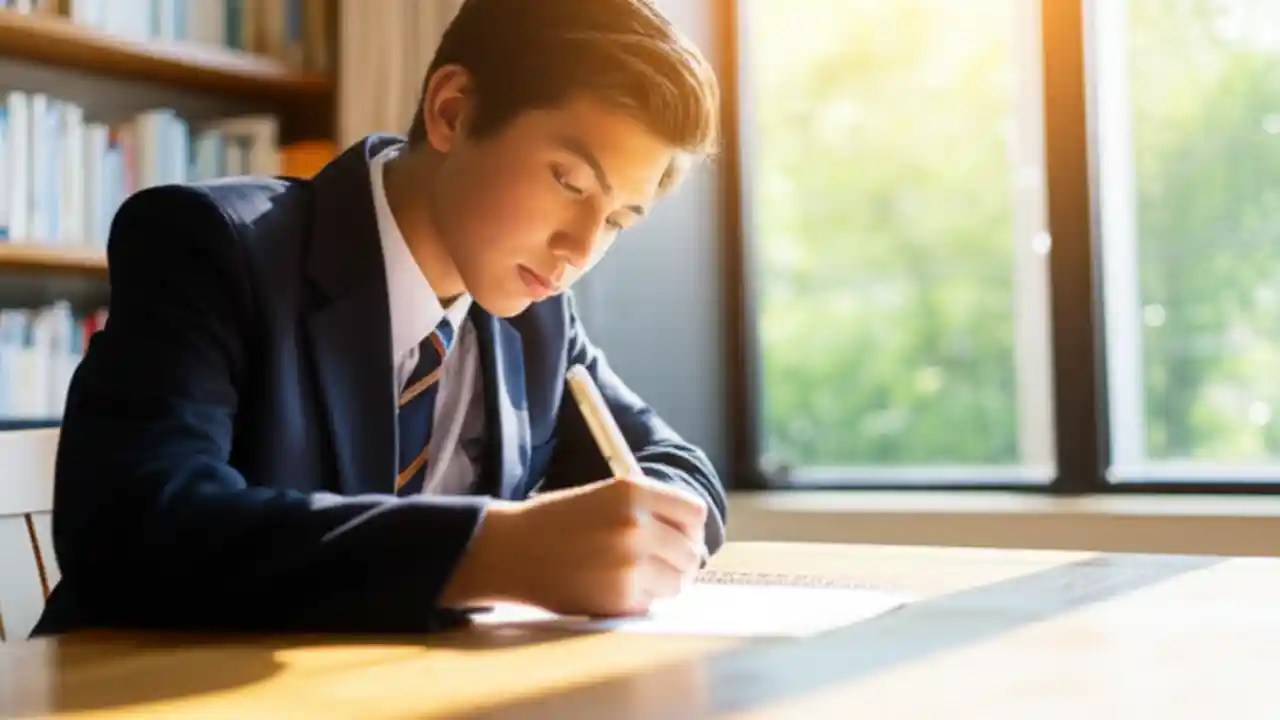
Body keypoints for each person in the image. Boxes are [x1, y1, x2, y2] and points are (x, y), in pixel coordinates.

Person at [34, 0, 726, 635]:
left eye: (618, 220)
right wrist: (491, 550)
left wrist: (645, 529)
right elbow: (135, 526)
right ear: (451, 111)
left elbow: (674, 467)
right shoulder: (212, 246)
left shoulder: (537, 316)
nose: (579, 248)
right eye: (569, 183)